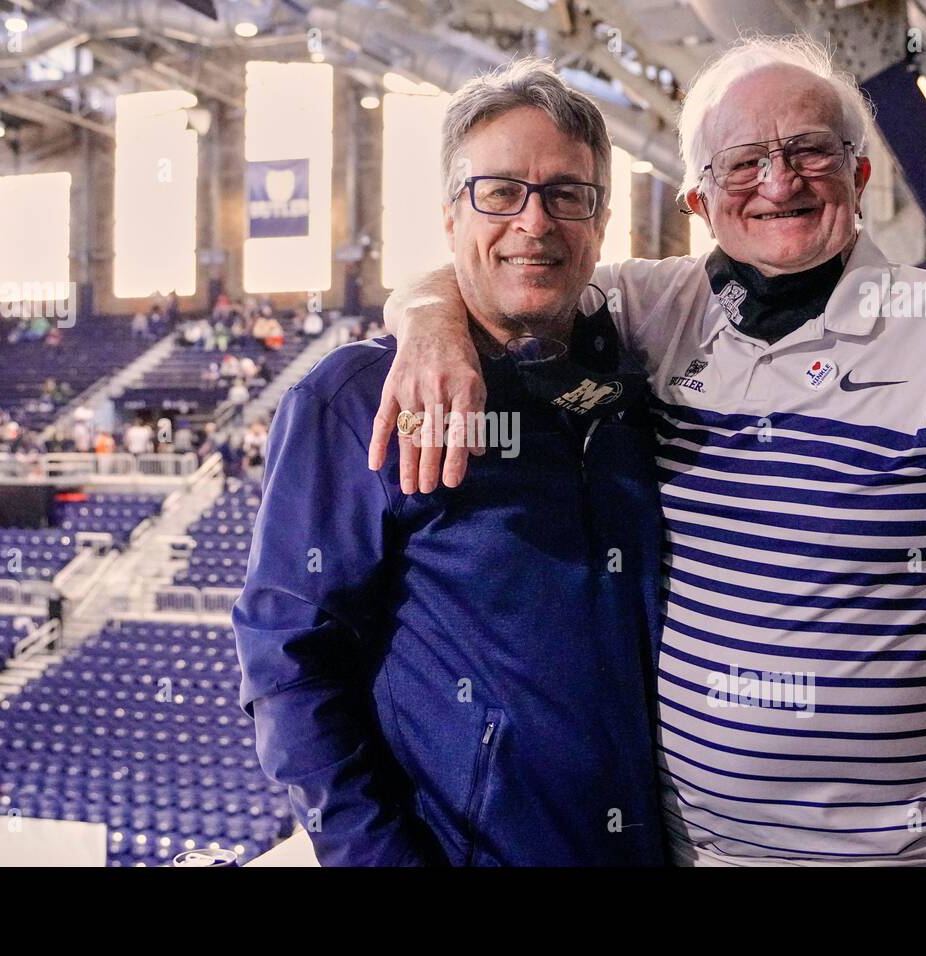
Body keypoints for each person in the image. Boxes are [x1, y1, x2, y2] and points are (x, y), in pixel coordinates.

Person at [376, 37, 926, 867]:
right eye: (744, 161)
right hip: (682, 852)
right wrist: (431, 320)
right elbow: (506, 258)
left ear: (860, 175)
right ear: (698, 200)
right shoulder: (656, 308)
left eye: (809, 151)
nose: (780, 181)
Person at [234, 58, 667, 867]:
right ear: (448, 214)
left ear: (600, 223)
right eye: (499, 192)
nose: (534, 223)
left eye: (566, 194)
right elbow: (290, 663)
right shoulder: (359, 398)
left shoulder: (639, 382)